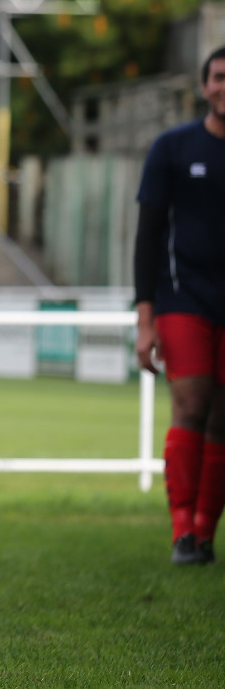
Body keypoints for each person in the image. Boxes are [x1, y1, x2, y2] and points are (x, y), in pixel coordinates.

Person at [135, 45, 225, 565]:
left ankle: (207, 531)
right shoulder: (171, 148)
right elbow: (147, 238)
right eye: (217, 77)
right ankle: (182, 531)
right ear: (203, 84)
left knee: (223, 421)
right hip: (181, 297)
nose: (223, 86)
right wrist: (145, 319)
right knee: (192, 405)